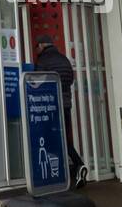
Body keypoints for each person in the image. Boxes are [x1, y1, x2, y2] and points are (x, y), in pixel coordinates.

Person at [34, 34, 87, 187]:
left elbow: (37, 83)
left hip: (50, 106)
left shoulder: (43, 61)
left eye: (37, 47)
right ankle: (73, 169)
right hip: (66, 104)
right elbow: (70, 79)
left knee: (53, 139)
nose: (36, 50)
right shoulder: (64, 60)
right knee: (64, 137)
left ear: (42, 45)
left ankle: (74, 166)